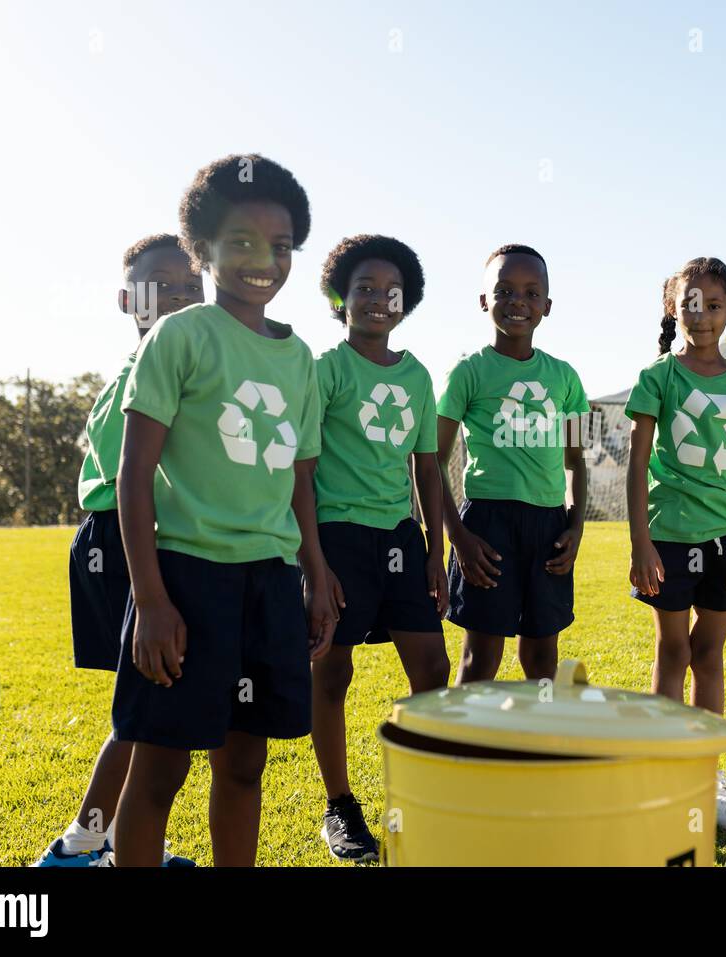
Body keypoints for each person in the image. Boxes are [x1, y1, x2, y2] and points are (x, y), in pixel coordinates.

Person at [110, 154, 337, 866]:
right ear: (203, 249)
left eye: (279, 245)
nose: (261, 259)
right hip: (186, 581)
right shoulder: (179, 338)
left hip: (267, 583)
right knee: (160, 773)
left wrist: (316, 571)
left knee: (244, 766)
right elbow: (134, 474)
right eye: (241, 242)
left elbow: (300, 481)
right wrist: (150, 598)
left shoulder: (300, 357)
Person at [33, 234, 203, 867]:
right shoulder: (143, 371)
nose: (182, 298)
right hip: (121, 542)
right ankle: (81, 846)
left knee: (151, 710)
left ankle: (117, 846)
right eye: (164, 285)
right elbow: (131, 480)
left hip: (138, 542)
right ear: (129, 299)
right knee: (146, 713)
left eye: (193, 286)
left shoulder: (181, 365)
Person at [310, 234, 449, 863]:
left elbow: (428, 470)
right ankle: (340, 807)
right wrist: (313, 563)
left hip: (399, 538)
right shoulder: (324, 370)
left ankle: (421, 797)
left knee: (431, 669)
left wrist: (434, 549)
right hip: (337, 537)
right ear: (340, 295)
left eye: (389, 290)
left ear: (406, 301)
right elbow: (301, 471)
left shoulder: (419, 375)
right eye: (362, 287)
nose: (376, 299)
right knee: (332, 671)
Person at [625, 256, 726, 830]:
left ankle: (708, 776)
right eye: (690, 302)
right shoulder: (656, 377)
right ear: (672, 307)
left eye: (714, 304)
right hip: (668, 535)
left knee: (709, 654)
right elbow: (638, 468)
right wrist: (641, 544)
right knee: (674, 651)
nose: (702, 314)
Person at [438, 245, 590, 684]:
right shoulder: (467, 372)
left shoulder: (565, 377)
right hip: (487, 523)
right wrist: (459, 537)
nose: (517, 302)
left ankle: (534, 747)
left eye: (530, 292)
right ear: (483, 301)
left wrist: (575, 527)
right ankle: (468, 751)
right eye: (503, 291)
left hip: (548, 526)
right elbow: (430, 460)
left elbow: (576, 461)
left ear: (547, 305)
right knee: (481, 658)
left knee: (543, 660)